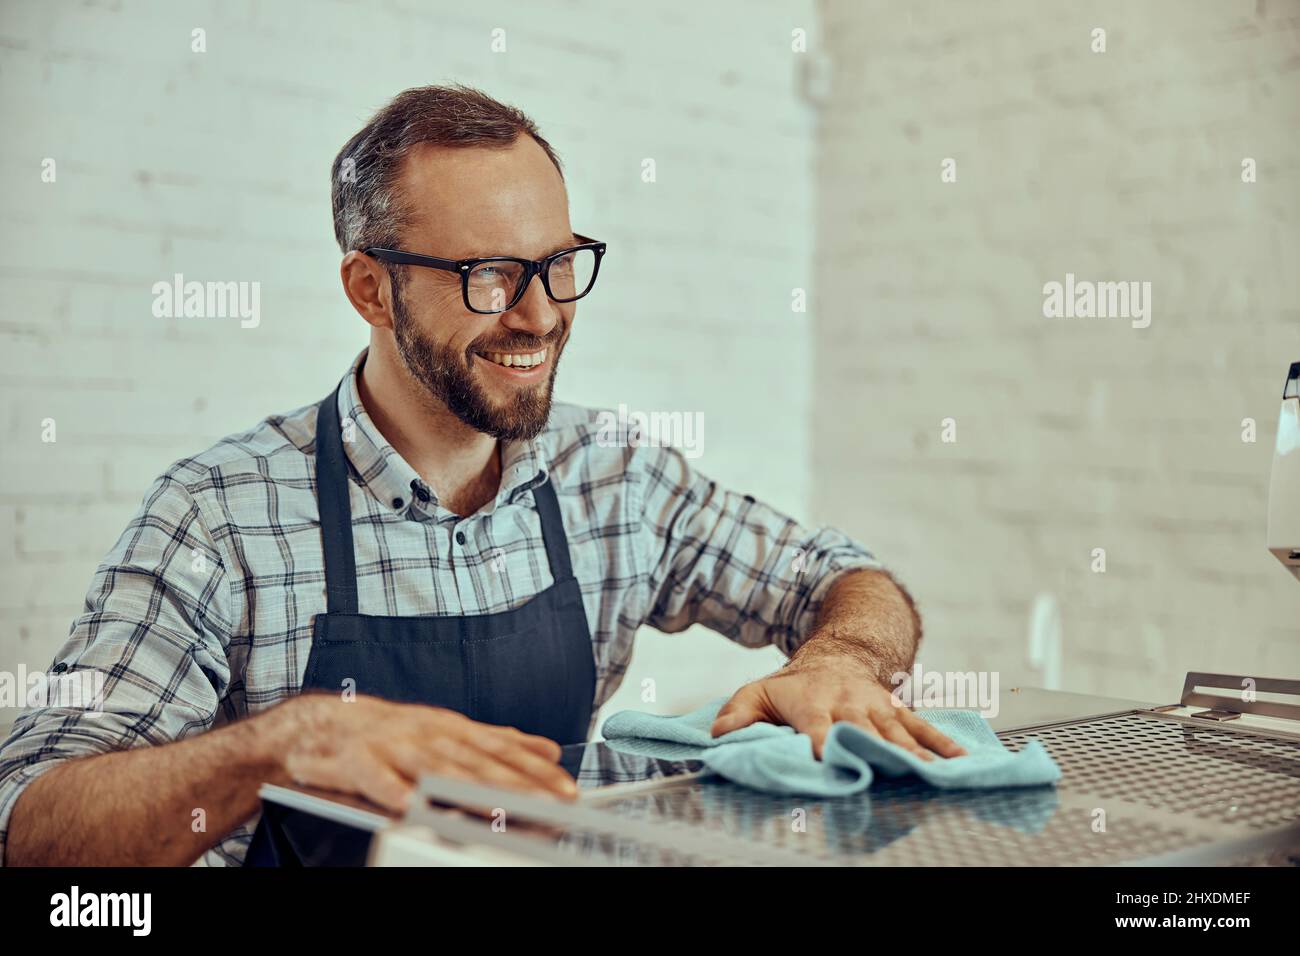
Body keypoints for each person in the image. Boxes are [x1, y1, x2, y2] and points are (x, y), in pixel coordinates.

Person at [0, 84, 962, 866]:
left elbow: (843, 579)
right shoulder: (217, 518)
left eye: (558, 264)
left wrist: (840, 660)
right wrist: (275, 747)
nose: (540, 317)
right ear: (370, 289)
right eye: (490, 277)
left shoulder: (612, 475)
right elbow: (34, 826)